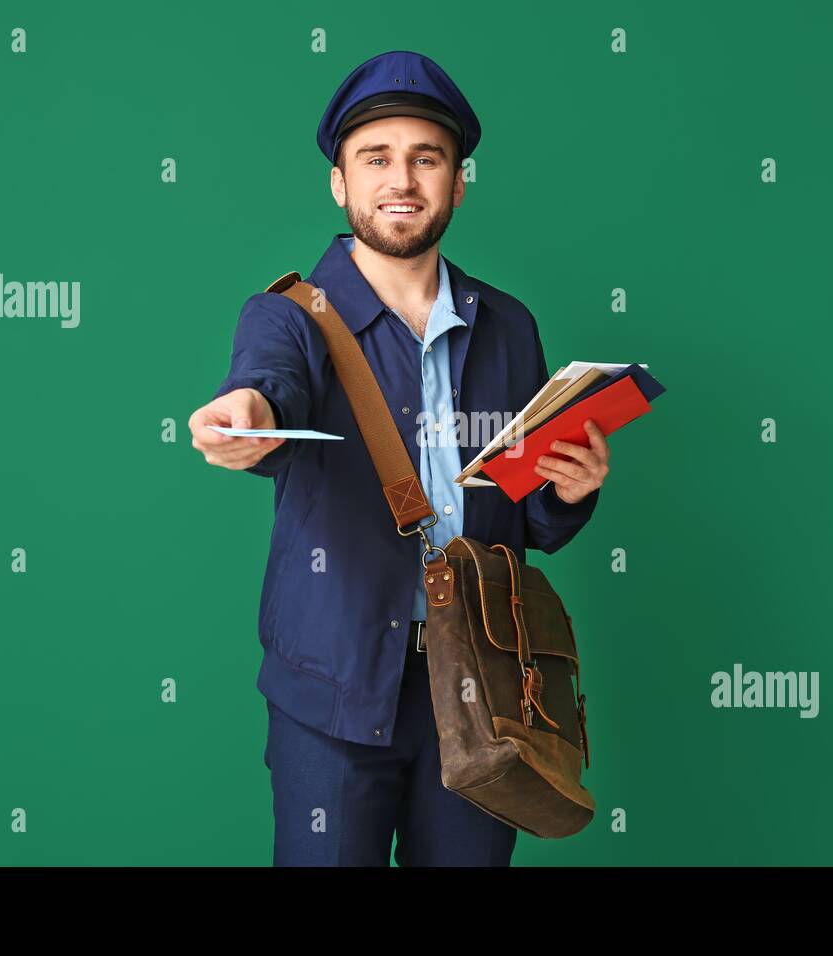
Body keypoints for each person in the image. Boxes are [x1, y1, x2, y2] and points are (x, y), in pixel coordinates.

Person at [187, 50, 610, 866]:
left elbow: (527, 514)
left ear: (458, 181)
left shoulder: (510, 326)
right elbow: (265, 389)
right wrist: (246, 416)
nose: (401, 180)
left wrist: (571, 490)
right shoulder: (287, 318)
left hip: (485, 687)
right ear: (340, 184)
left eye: (427, 158)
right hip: (334, 688)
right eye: (375, 158)